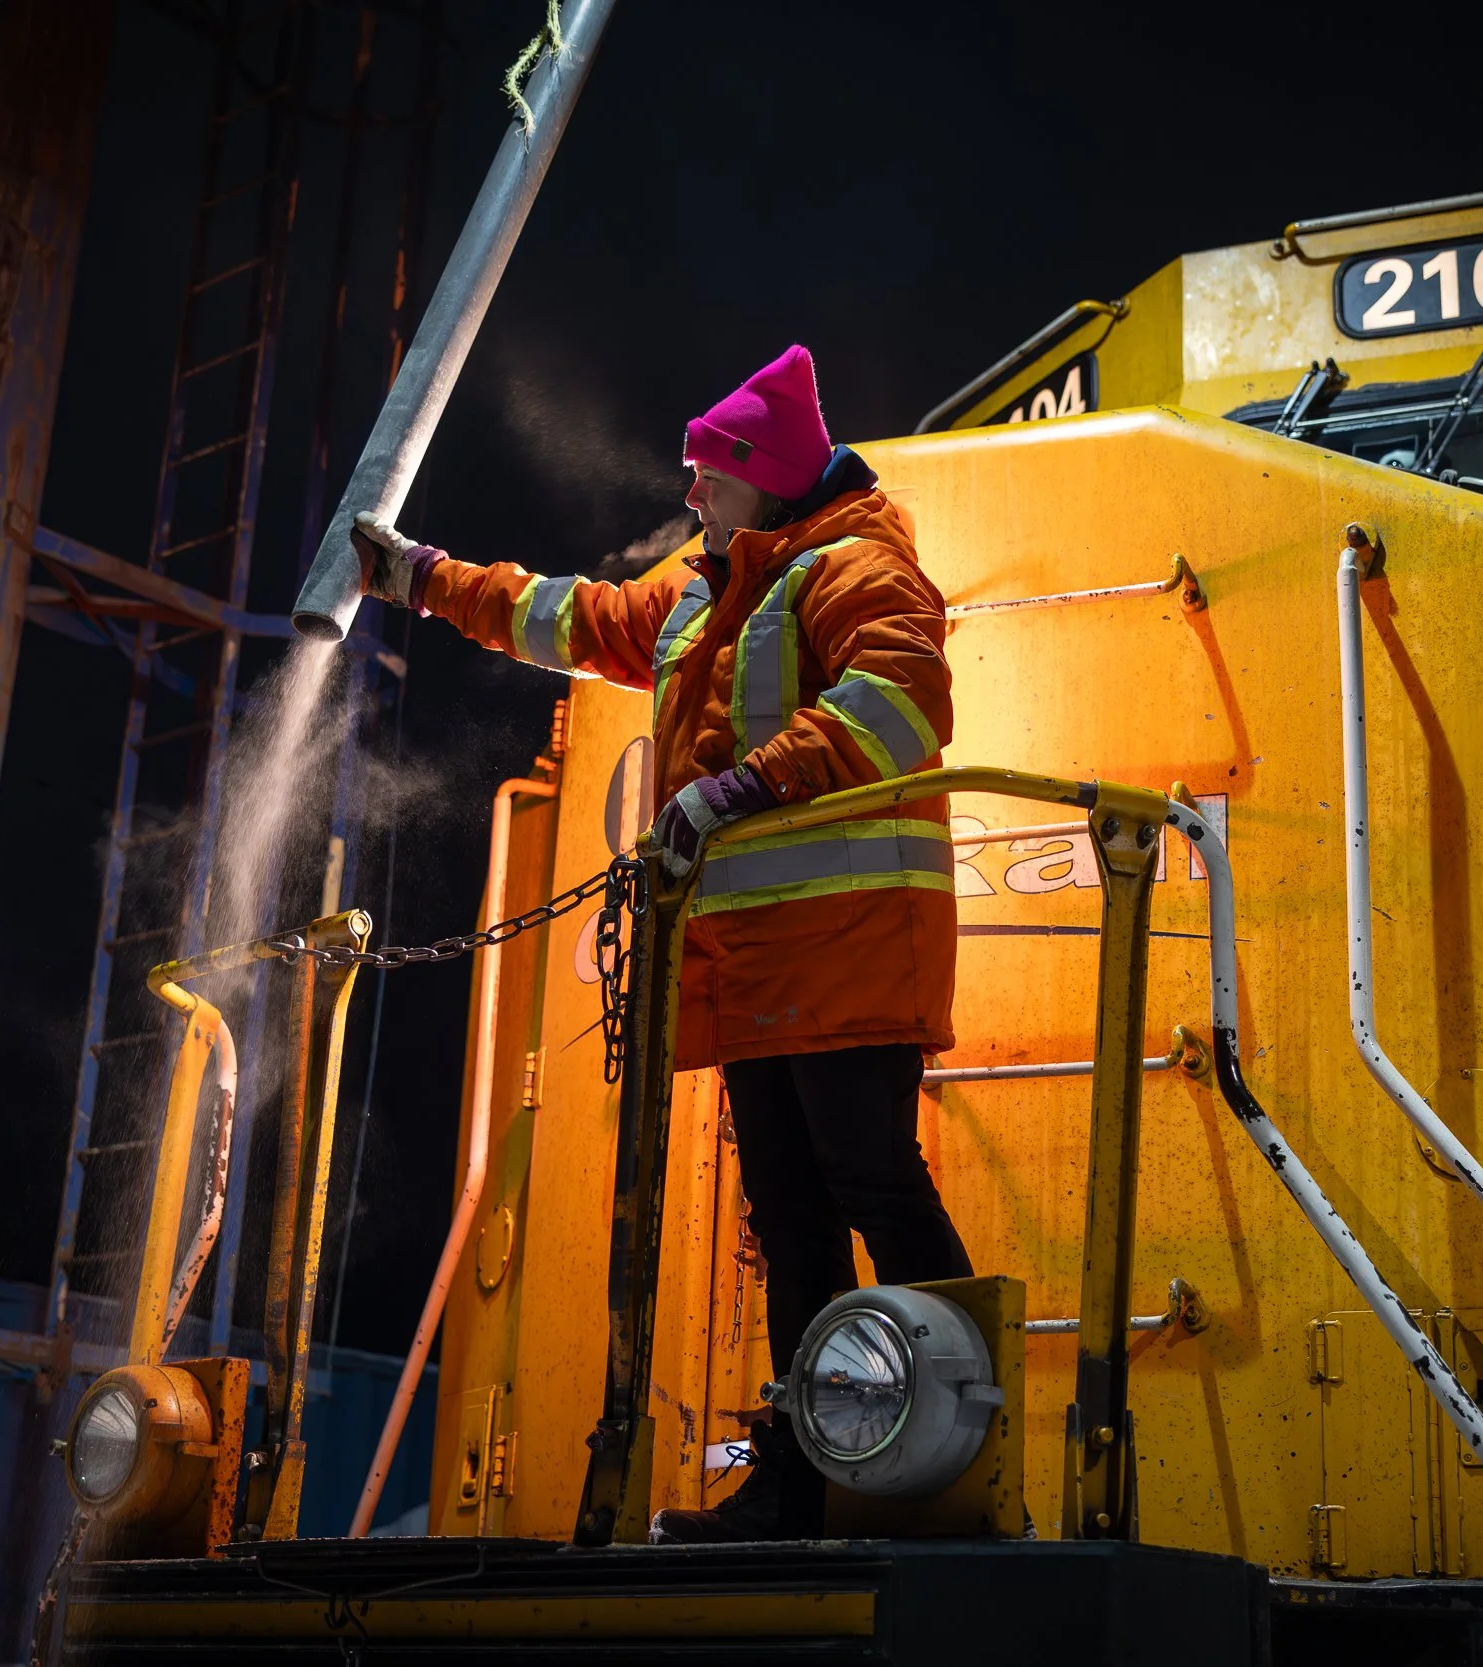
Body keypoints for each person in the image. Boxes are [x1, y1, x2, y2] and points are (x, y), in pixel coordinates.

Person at [352, 345, 972, 1542]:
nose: (690, 494)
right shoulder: (709, 591)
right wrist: (423, 579)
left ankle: (958, 1452)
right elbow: (573, 616)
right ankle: (801, 1483)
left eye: (707, 475)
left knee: (873, 1182)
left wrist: (738, 786)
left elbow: (901, 706)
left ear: (764, 472)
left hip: (847, 950)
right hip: (761, 963)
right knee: (792, 1218)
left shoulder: (857, 567)